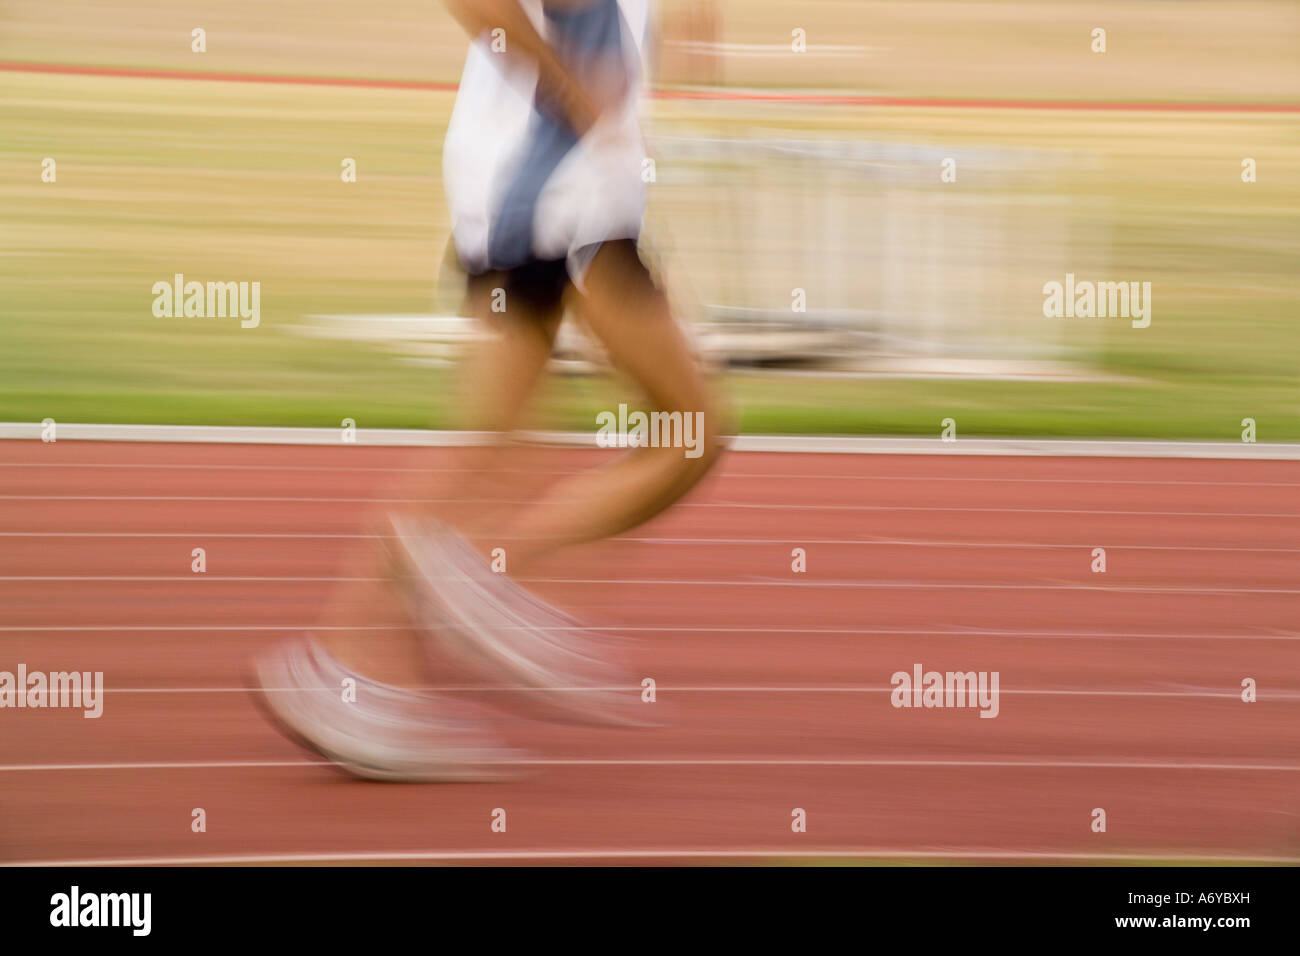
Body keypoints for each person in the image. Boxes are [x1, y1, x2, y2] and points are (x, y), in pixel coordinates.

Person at [254, 0, 725, 781]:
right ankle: (483, 580)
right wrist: (575, 91)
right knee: (690, 431)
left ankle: (355, 676)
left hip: (541, 183)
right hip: (561, 191)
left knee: (497, 451)